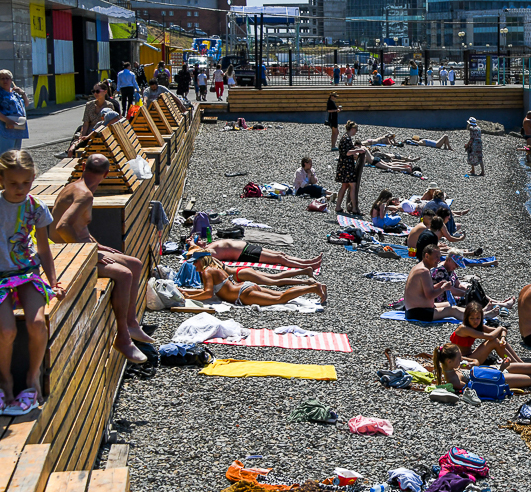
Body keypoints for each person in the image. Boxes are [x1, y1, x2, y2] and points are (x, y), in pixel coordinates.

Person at [0, 151, 66, 415]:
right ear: (1, 179)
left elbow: (44, 249)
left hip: (27, 272)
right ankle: (5, 382)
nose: (20, 189)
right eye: (13, 184)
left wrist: (53, 282)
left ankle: (32, 380)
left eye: (25, 183)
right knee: (6, 330)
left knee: (36, 323)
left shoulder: (36, 207)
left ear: (33, 178)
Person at [49, 153, 151, 364]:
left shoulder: (74, 186)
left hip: (81, 248)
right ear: (106, 174)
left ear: (84, 168)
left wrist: (96, 244)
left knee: (135, 263)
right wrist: (90, 252)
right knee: (124, 275)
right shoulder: (84, 194)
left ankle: (131, 323)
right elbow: (62, 227)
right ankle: (122, 337)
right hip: (70, 254)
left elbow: (78, 226)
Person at [181, 253, 326, 306]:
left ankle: (313, 288)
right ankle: (312, 286)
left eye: (195, 262)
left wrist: (188, 296)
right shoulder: (215, 267)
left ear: (202, 260)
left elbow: (207, 294)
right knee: (280, 292)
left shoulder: (207, 272)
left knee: (280, 298)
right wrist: (185, 291)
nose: (194, 265)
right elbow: (207, 291)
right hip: (246, 286)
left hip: (243, 294)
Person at [403, 244, 464, 321]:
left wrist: (439, 285)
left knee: (450, 304)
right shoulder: (423, 271)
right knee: (453, 310)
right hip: (418, 312)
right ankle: (476, 319)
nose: (439, 260)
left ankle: (479, 313)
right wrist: (443, 288)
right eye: (436, 257)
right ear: (427, 256)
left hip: (414, 310)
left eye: (439, 257)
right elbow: (429, 295)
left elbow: (426, 290)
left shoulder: (419, 267)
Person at [449, 300, 522, 364]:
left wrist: (503, 338)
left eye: (478, 318)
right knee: (494, 341)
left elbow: (503, 330)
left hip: (470, 356)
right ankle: (517, 366)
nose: (475, 321)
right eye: (472, 318)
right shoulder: (464, 328)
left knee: (499, 339)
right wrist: (500, 328)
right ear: (466, 318)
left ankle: (520, 363)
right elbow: (490, 336)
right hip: (462, 360)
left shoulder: (477, 326)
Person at [193, 238, 322, 270]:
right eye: (198, 241)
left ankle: (308, 261)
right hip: (244, 254)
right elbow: (205, 257)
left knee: (281, 254)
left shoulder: (209, 245)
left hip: (248, 247)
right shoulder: (208, 252)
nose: (201, 240)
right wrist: (193, 247)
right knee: (279, 259)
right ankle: (307, 267)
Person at [66, 82, 118, 157]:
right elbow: (86, 124)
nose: (95, 93)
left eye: (97, 91)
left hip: (100, 134)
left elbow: (109, 124)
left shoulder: (109, 105)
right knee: (71, 150)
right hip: (88, 132)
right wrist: (82, 137)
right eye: (93, 91)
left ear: (105, 92)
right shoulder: (89, 105)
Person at [0, 69, 30, 157]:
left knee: (16, 157)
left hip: (17, 128)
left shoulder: (14, 93)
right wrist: (7, 120)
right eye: (2, 78)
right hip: (5, 129)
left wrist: (23, 94)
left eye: (7, 78)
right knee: (6, 157)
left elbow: (26, 104)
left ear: (11, 80)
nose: (5, 80)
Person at [335, 121, 364, 215]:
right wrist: (359, 150)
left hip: (343, 165)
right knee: (353, 185)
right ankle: (355, 208)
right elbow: (347, 152)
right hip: (346, 166)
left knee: (344, 186)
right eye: (356, 130)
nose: (356, 131)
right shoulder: (346, 139)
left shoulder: (345, 138)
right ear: (352, 129)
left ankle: (338, 206)